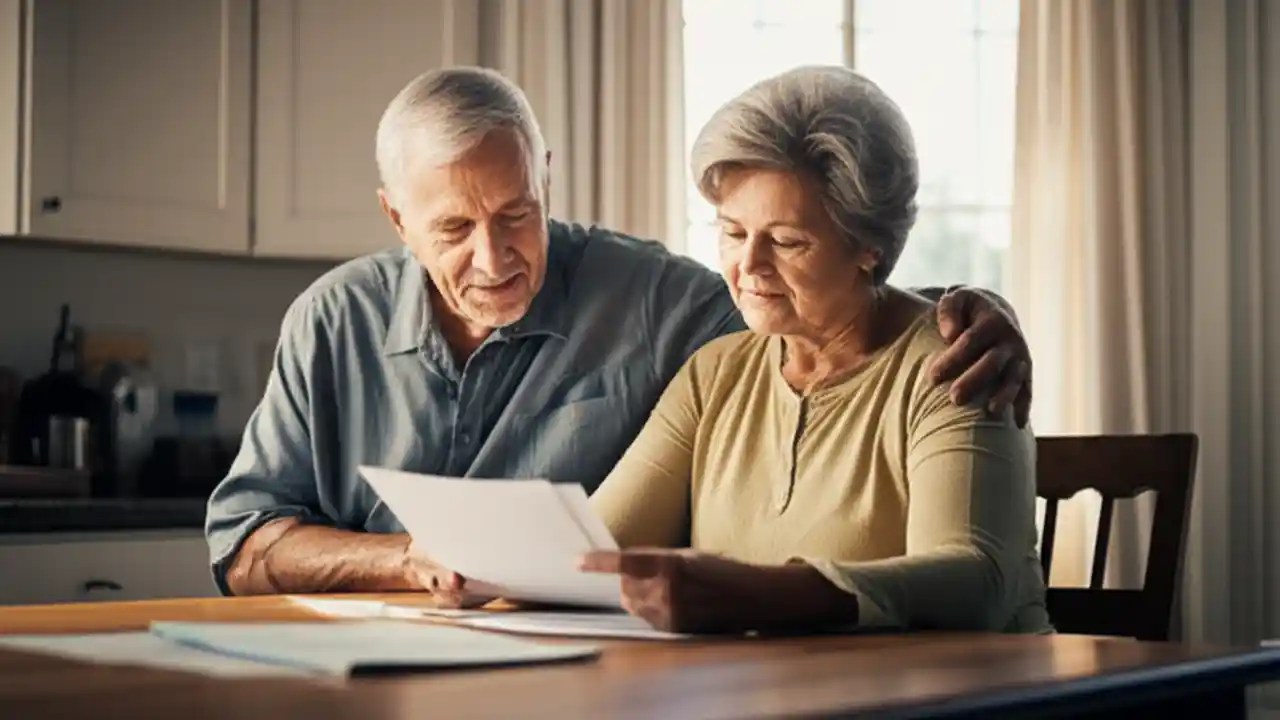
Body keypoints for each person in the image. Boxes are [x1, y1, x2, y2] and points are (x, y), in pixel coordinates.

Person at [205, 66, 1035, 601]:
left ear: (547, 181)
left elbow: (834, 321)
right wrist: (410, 558)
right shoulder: (332, 319)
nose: (492, 258)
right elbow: (242, 545)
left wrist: (969, 305)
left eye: (517, 215)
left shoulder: (658, 305)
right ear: (396, 218)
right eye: (454, 228)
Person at [584, 66, 1051, 634]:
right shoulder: (715, 372)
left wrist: (759, 593)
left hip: (971, 700)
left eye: (786, 241)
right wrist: (462, 572)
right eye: (733, 232)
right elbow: (591, 551)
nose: (748, 266)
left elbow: (977, 583)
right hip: (783, 699)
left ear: (868, 247)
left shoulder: (960, 358)